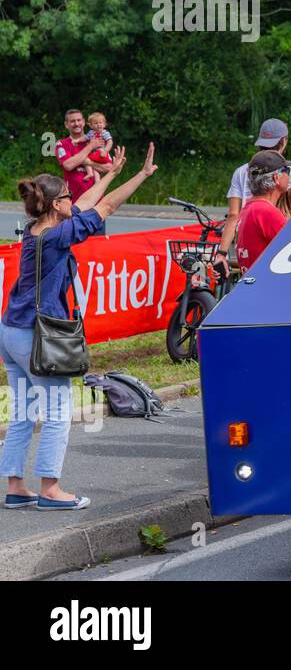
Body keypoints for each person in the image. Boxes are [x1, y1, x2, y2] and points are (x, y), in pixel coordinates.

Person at [2, 143, 158, 511]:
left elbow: (86, 204)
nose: (74, 200)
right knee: (57, 411)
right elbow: (103, 208)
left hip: (10, 331)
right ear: (56, 205)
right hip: (35, 334)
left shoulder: (35, 230)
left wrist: (110, 174)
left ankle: (15, 487)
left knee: (24, 412)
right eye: (67, 196)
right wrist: (140, 175)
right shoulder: (57, 237)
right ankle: (51, 490)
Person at [216, 118, 291, 275]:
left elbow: (233, 215)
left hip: (247, 240)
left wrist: (222, 253)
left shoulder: (243, 173)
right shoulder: (268, 210)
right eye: (286, 172)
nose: (287, 174)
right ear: (284, 141)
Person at [235, 150, 291, 274]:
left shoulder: (248, 209)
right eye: (287, 171)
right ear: (276, 178)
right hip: (268, 288)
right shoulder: (267, 213)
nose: (289, 176)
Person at [54, 110, 110, 205]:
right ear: (66, 124)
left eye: (79, 120)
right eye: (72, 121)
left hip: (96, 202)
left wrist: (86, 162)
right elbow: (68, 165)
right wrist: (90, 146)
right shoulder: (62, 144)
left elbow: (108, 167)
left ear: (84, 122)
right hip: (74, 202)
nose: (76, 123)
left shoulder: (97, 139)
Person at [81, 112, 114, 184]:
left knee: (84, 159)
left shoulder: (104, 132)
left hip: (101, 153)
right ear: (91, 125)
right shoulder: (91, 132)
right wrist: (77, 140)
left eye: (100, 123)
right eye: (96, 123)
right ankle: (97, 181)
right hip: (95, 154)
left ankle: (90, 173)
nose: (98, 125)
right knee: (95, 168)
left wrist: (105, 150)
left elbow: (110, 142)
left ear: (104, 124)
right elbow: (85, 138)